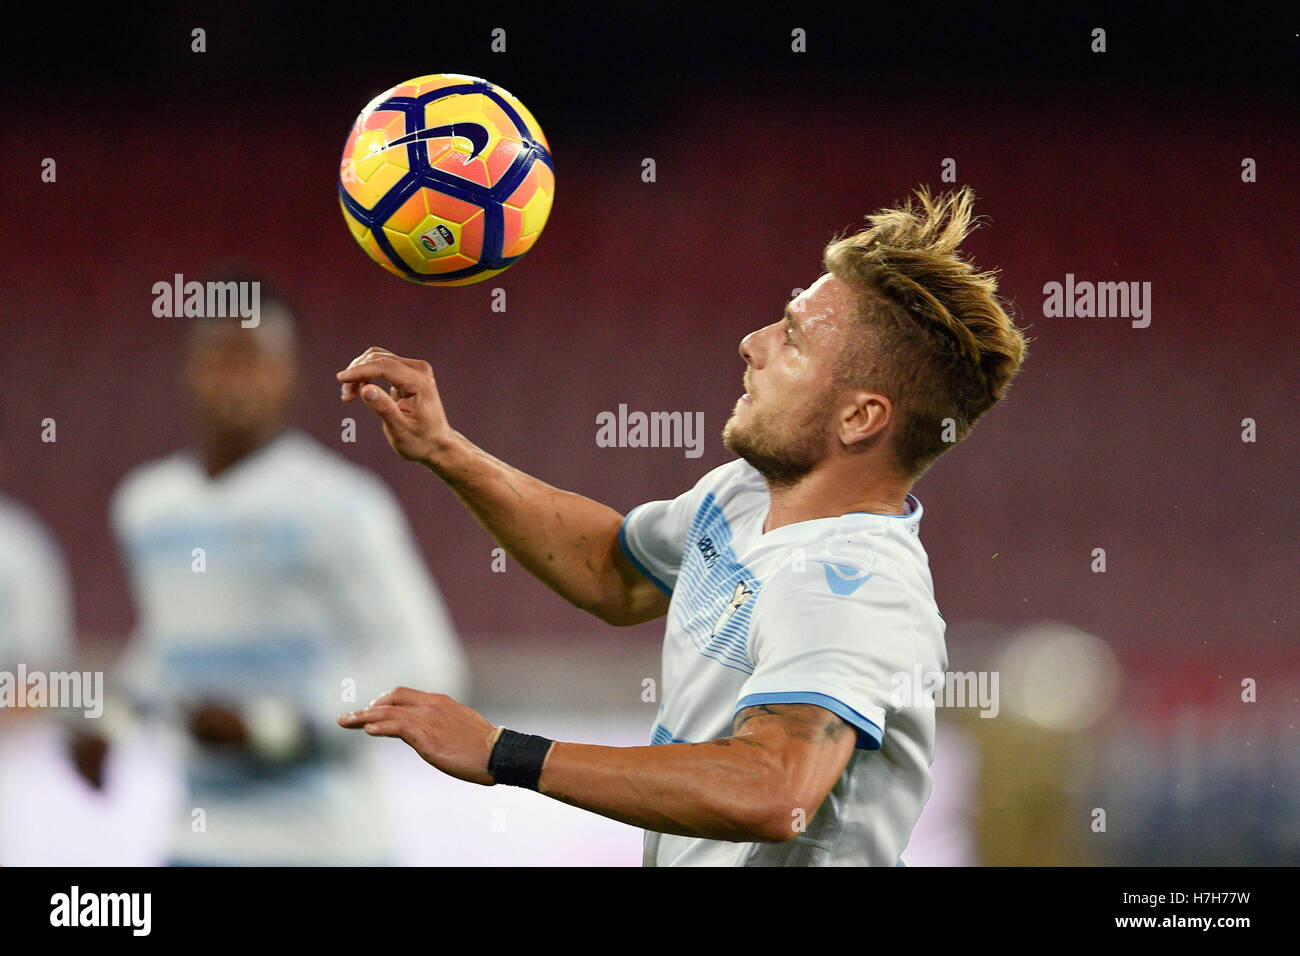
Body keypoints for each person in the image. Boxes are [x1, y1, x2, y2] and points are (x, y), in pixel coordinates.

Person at [335, 186, 1027, 866]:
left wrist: (501, 752)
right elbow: (612, 570)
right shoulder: (748, 493)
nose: (750, 343)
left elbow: (775, 791)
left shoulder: (853, 587)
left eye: (791, 340)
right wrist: (444, 448)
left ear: (860, 418)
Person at [99, 284, 469, 865]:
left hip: (326, 845)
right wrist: (111, 719)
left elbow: (428, 665)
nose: (237, 376)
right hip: (197, 844)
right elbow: (170, 640)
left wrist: (278, 729)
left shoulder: (342, 506)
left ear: (290, 374)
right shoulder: (148, 506)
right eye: (222, 354)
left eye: (257, 357)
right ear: (190, 369)